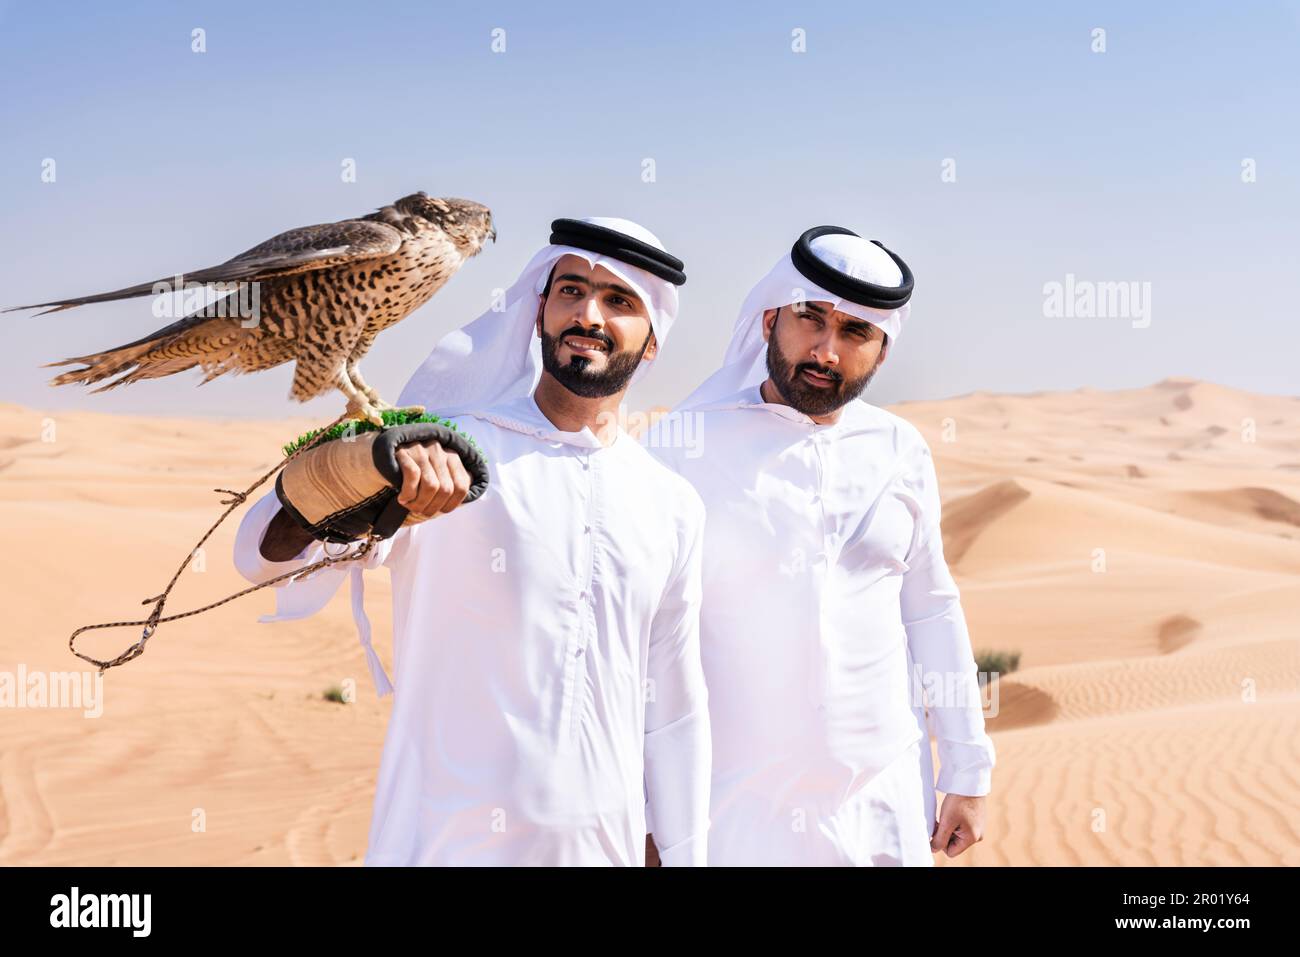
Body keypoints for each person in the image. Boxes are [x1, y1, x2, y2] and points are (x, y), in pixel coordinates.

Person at [233, 217, 711, 866]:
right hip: (444, 847)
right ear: (540, 311)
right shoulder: (448, 446)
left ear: (652, 340)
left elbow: (674, 710)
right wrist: (363, 479)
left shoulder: (671, 505)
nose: (587, 314)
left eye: (618, 300)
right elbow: (264, 554)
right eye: (570, 291)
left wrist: (679, 852)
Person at [646, 226, 994, 865]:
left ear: (883, 351)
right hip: (733, 808)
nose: (827, 350)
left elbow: (932, 608)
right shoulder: (682, 445)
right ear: (771, 319)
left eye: (855, 332)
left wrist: (967, 770)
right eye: (811, 319)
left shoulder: (900, 450)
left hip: (882, 799)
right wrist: (647, 806)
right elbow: (645, 633)